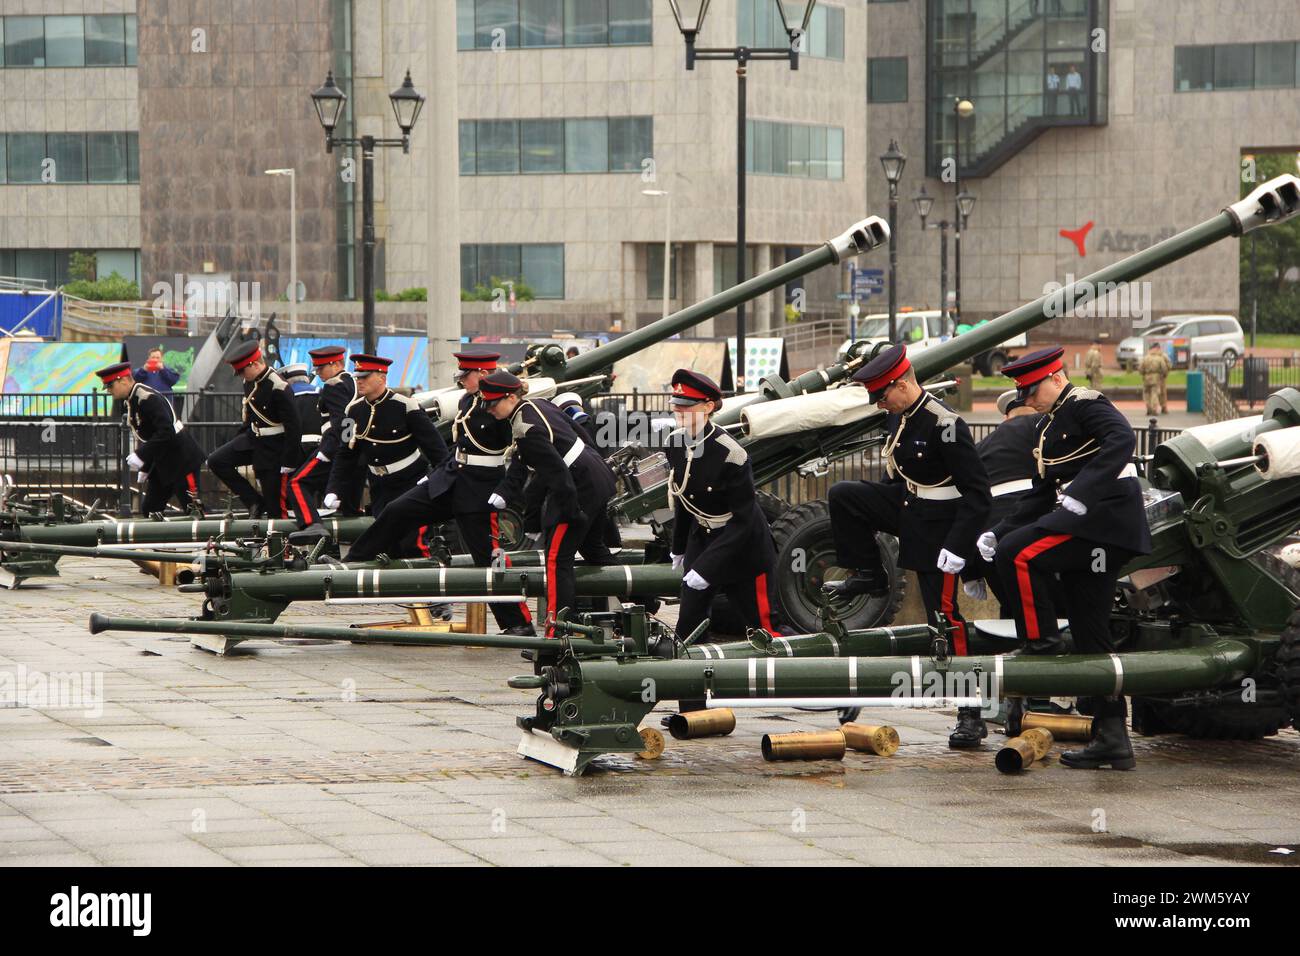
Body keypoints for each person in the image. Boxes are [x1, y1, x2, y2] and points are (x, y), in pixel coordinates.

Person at [980, 346, 1152, 770]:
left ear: (1056, 378)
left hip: (1104, 524)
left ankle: (1040, 643)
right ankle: (1113, 738)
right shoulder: (1048, 423)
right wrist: (996, 530)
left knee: (1017, 556)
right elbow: (1040, 493)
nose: (1027, 397)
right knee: (1094, 637)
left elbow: (1122, 439)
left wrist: (1080, 493)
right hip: (1086, 526)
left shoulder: (1085, 404)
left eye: (1031, 388)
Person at [826, 344, 993, 748]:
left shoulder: (944, 423)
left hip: (943, 531)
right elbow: (902, 477)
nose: (880, 404)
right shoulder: (900, 418)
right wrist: (878, 508)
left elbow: (978, 493)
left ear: (903, 384)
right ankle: (869, 574)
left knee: (947, 621)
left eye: (883, 395)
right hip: (912, 508)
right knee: (845, 495)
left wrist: (958, 547)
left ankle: (970, 713)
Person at [343, 352, 534, 635]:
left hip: (480, 488)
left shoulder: (504, 407)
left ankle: (519, 624)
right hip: (451, 478)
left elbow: (521, 452)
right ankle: (353, 563)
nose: (461, 381)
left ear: (482, 374)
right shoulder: (468, 400)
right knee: (398, 510)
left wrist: (508, 490)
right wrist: (434, 477)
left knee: (488, 558)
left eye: (465, 376)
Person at [481, 371, 617, 638]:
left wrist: (570, 512)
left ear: (511, 397)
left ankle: (558, 630)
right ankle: (645, 600)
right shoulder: (538, 405)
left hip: (578, 487)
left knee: (557, 560)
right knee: (594, 549)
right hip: (595, 476)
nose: (490, 409)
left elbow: (557, 475)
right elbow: (580, 436)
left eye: (493, 403)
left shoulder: (524, 428)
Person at [664, 369, 776, 646]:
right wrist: (678, 547)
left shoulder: (731, 453)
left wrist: (708, 566)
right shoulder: (675, 444)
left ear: (708, 406)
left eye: (687, 406)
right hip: (702, 538)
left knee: (763, 626)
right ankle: (692, 680)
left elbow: (744, 519)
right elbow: (683, 500)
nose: (680, 411)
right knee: (689, 624)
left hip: (742, 546)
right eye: (676, 405)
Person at [324, 354, 448, 520]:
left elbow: (436, 449)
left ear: (382, 378)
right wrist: (334, 488)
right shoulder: (352, 411)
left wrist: (434, 480)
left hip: (409, 482)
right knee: (386, 540)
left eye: (365, 377)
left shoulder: (406, 406)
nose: (359, 381)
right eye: (358, 377)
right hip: (379, 485)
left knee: (411, 542)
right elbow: (346, 453)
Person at [97, 362, 205, 515]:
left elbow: (166, 431)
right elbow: (150, 435)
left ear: (124, 380)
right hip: (163, 460)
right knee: (150, 509)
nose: (109, 391)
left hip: (182, 459)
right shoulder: (134, 398)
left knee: (194, 509)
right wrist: (146, 466)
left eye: (110, 386)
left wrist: (141, 455)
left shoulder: (147, 398)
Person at [207, 341, 301, 518]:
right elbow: (250, 415)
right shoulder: (249, 382)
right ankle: (253, 501)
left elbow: (293, 427)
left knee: (275, 508)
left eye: (242, 370)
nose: (241, 375)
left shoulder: (278, 386)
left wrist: (289, 461)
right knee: (216, 461)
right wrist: (238, 440)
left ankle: (276, 541)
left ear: (255, 364)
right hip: (253, 439)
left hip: (274, 449)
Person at [1139, 341, 1171, 417]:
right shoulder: (1160, 357)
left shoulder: (1145, 357)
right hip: (1157, 378)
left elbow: (1140, 368)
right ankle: (1155, 409)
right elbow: (1165, 368)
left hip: (1147, 378)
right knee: (1155, 394)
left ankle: (1148, 408)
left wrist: (1143, 374)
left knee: (1146, 394)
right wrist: (1164, 375)